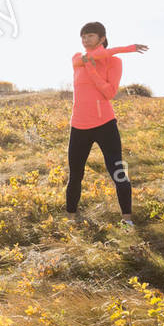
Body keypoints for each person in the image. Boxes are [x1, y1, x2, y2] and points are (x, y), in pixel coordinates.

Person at [66, 23, 148, 226]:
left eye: (90, 36)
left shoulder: (114, 62)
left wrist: (92, 71)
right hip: (78, 125)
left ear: (102, 38)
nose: (85, 40)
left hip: (105, 124)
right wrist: (129, 47)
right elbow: (92, 58)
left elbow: (109, 93)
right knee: (75, 174)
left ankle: (127, 219)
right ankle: (70, 218)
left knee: (118, 171)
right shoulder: (77, 58)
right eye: (83, 36)